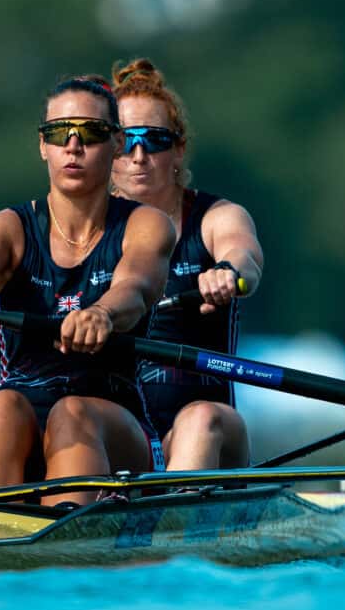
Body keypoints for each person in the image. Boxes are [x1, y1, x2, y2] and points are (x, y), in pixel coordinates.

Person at [0, 75, 176, 505]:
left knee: (73, 413)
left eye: (89, 132)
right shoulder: (9, 228)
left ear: (118, 144)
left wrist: (103, 314)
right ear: (42, 146)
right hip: (19, 416)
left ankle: (61, 534)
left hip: (113, 424)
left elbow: (136, 287)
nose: (73, 145)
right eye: (59, 133)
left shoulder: (145, 226)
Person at [110, 58, 264, 471]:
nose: (139, 155)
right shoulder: (87, 231)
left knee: (200, 418)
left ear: (178, 150)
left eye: (155, 140)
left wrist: (229, 274)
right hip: (125, 438)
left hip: (208, 435)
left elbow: (244, 255)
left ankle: (170, 521)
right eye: (125, 139)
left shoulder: (215, 217)